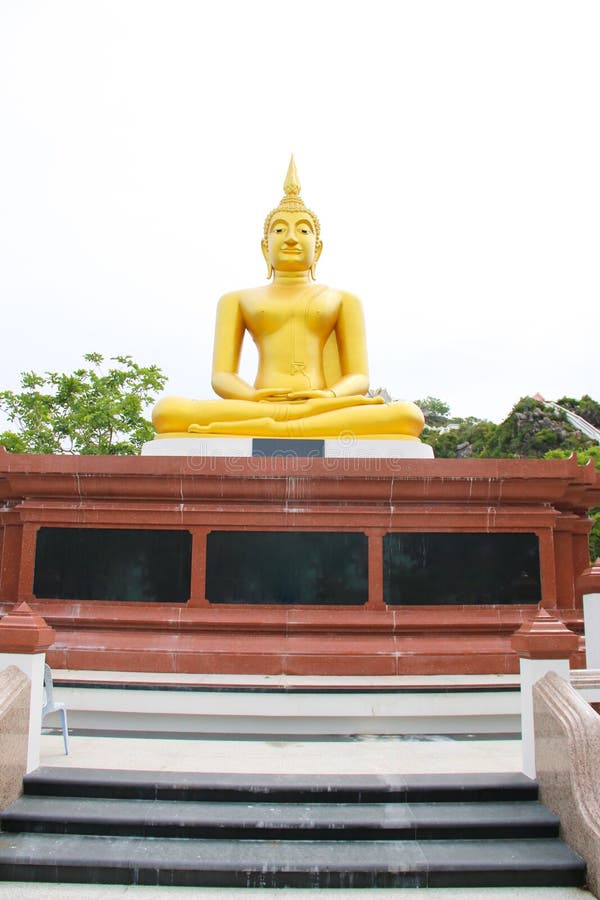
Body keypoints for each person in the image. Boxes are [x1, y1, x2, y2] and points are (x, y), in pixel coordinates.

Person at [152, 157, 424, 440]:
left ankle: (278, 428)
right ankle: (290, 426)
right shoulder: (236, 300)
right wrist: (253, 397)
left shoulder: (343, 300)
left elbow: (359, 377)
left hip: (324, 405)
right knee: (168, 412)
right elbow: (222, 376)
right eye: (280, 230)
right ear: (264, 247)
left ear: (317, 249)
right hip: (257, 405)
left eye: (303, 230)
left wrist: (327, 395)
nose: (291, 238)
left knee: (407, 416)